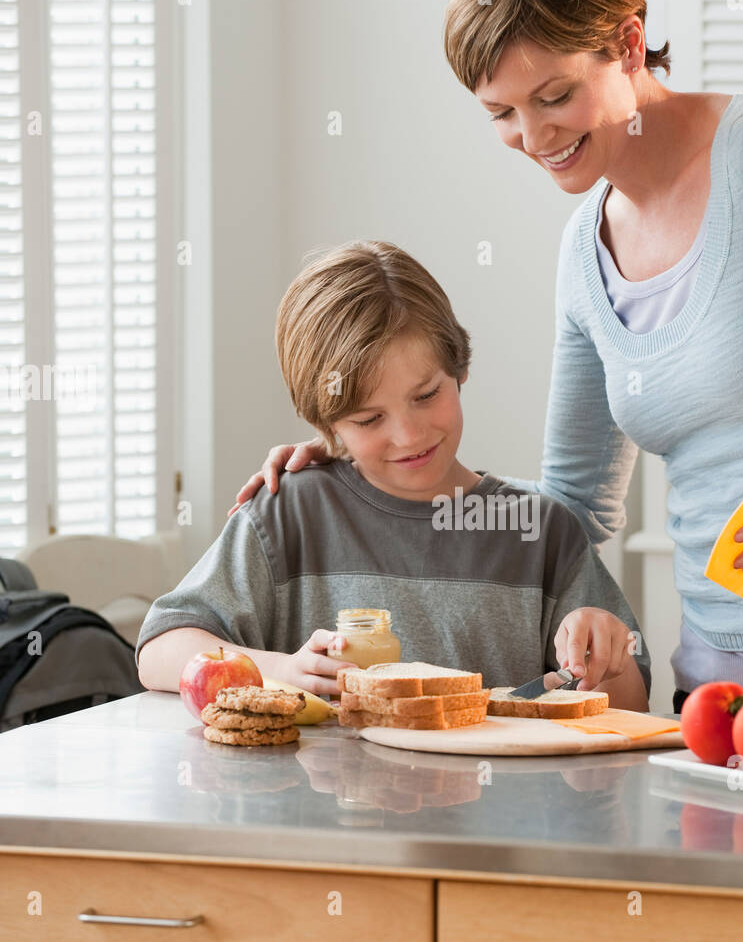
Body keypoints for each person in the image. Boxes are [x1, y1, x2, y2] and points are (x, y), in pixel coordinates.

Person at [233, 0, 743, 710]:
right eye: (501, 113)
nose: (533, 135)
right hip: (722, 671)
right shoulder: (584, 253)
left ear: (627, 44)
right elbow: (572, 505)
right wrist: (359, 466)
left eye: (554, 96)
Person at [136, 241, 652, 709]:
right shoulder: (290, 513)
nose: (409, 435)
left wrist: (609, 656)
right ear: (326, 424)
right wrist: (281, 672)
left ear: (460, 367)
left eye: (427, 395)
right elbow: (160, 647)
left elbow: (628, 704)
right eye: (367, 419)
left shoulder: (538, 531)